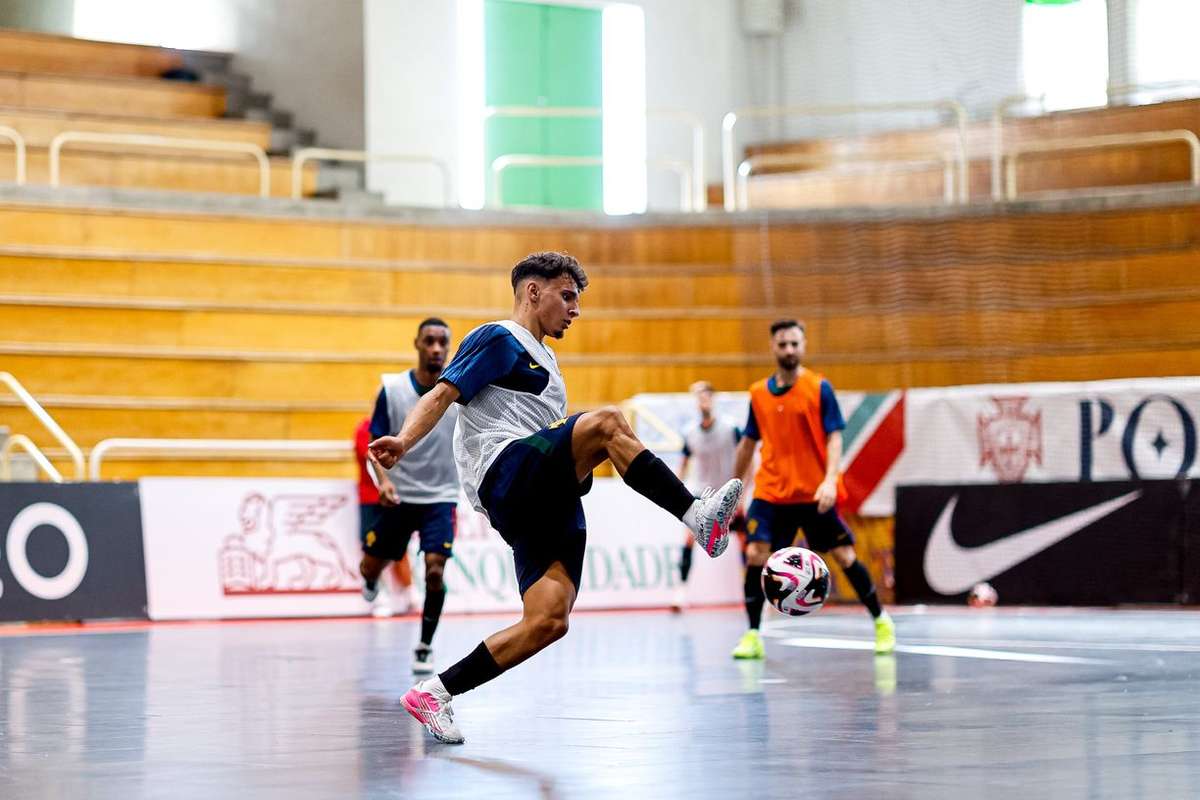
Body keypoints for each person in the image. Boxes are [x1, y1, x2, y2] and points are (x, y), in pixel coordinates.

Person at [368, 252, 743, 744]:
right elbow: (441, 394)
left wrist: (579, 470)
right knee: (607, 423)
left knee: (548, 620)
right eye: (567, 296)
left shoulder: (549, 364)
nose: (575, 310)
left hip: (540, 494)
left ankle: (435, 692)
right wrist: (403, 440)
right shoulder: (499, 337)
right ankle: (696, 514)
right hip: (504, 471)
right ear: (532, 292)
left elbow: (556, 444)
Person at [730, 319, 895, 659]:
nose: (789, 350)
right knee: (755, 556)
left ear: (803, 346)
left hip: (813, 493)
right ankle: (752, 634)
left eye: (794, 343)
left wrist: (830, 479)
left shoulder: (819, 388)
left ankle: (881, 621)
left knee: (845, 556)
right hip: (771, 493)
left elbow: (835, 437)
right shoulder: (758, 394)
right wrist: (732, 490)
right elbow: (748, 444)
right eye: (782, 344)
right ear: (773, 347)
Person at [361, 318, 460, 674]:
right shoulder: (393, 389)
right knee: (371, 565)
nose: (436, 349)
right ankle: (371, 579)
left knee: (435, 571)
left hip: (441, 497)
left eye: (442, 343)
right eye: (429, 341)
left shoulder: (460, 390)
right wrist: (383, 482)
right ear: (417, 344)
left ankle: (424, 645)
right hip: (399, 496)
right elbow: (373, 444)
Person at [672, 380, 744, 612]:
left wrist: (743, 492)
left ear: (713, 399)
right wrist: (675, 491)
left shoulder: (731, 429)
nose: (703, 401)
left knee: (746, 543)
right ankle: (681, 593)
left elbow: (747, 458)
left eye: (706, 396)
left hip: (730, 494)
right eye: (698, 397)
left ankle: (751, 594)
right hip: (702, 495)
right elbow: (682, 465)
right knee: (688, 540)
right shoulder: (690, 433)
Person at [354, 416, 417, 617]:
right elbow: (368, 457)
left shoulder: (399, 430)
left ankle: (408, 591)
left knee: (398, 547)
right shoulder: (364, 429)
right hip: (371, 499)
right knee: (371, 547)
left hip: (393, 497)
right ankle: (380, 593)